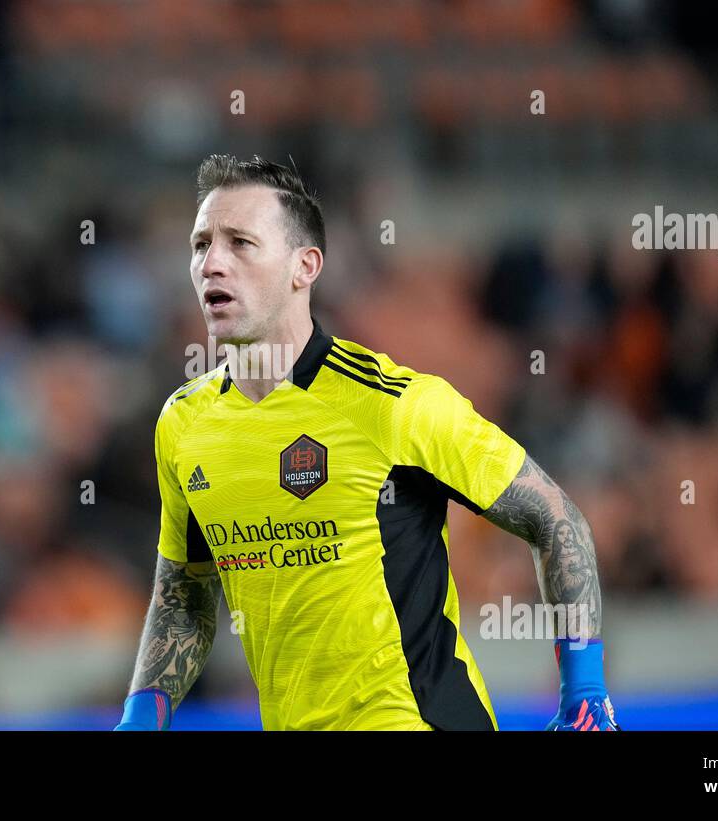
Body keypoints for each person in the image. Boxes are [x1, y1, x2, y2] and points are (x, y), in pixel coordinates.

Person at [115, 154, 618, 730]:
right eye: (201, 244)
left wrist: (585, 691)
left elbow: (554, 517)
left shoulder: (392, 404)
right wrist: (139, 718)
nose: (212, 264)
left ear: (304, 267)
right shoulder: (184, 425)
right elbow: (183, 598)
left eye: (240, 243)